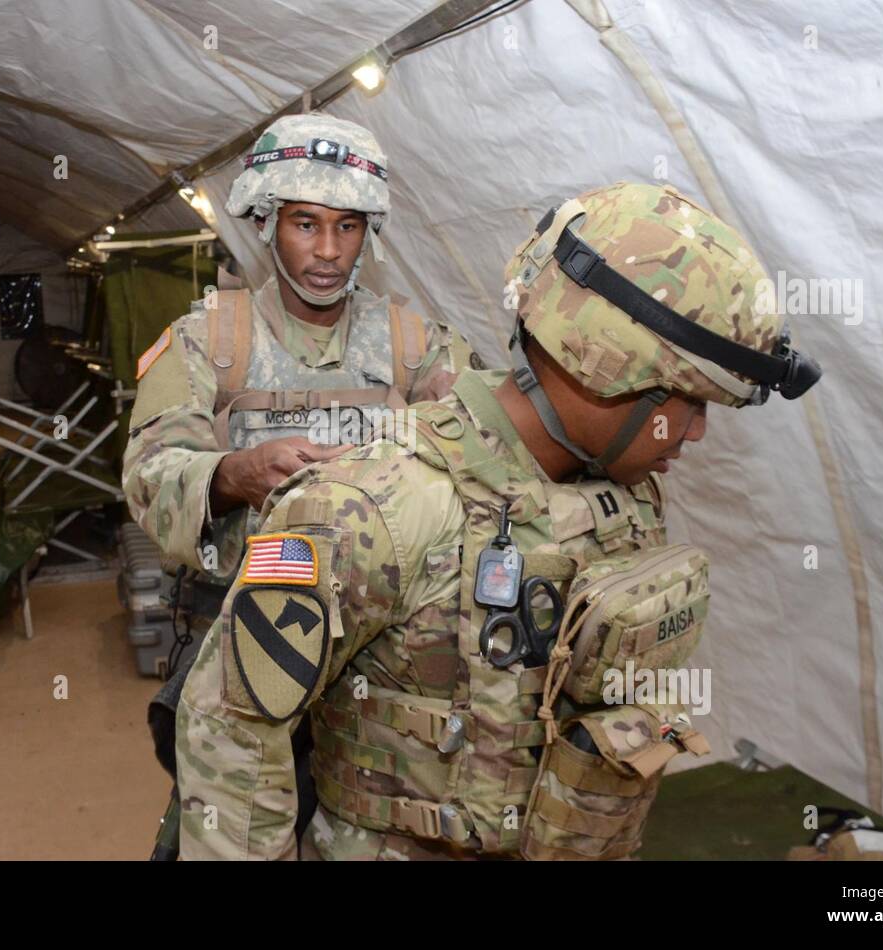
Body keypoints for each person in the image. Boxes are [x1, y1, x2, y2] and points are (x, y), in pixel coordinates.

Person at [172, 181, 822, 860]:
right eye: (690, 401)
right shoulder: (368, 506)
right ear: (605, 366)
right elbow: (230, 729)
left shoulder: (618, 496)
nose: (693, 433)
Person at [121, 113, 475, 858]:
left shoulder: (415, 344)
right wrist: (231, 474)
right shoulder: (210, 341)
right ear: (265, 223)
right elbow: (149, 475)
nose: (326, 252)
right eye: (305, 224)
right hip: (251, 626)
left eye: (347, 227)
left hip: (385, 647)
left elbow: (486, 456)